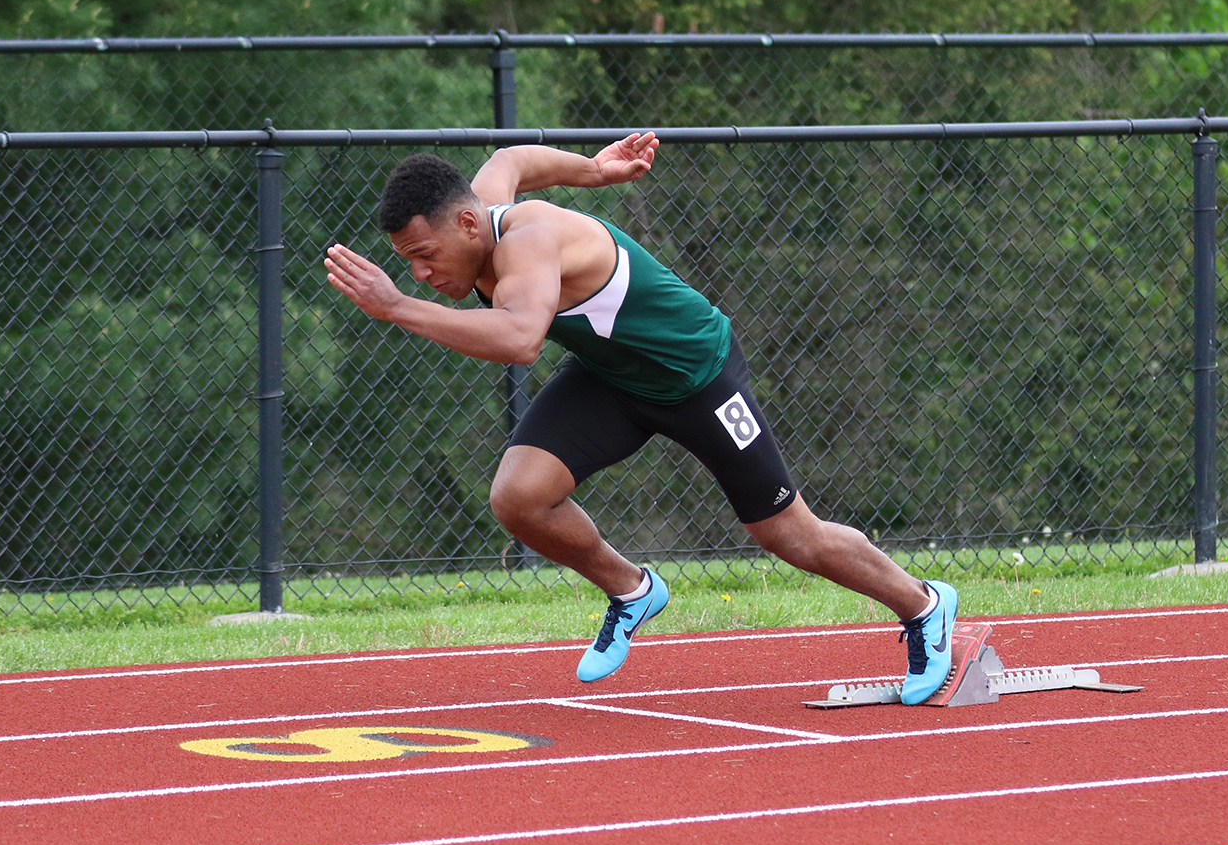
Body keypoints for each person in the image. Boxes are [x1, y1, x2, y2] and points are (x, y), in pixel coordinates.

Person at [324, 133, 958, 703]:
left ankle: (924, 605)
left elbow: (519, 339)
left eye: (425, 255)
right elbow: (511, 158)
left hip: (697, 379)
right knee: (519, 498)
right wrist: (593, 172)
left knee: (789, 535)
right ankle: (632, 590)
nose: (420, 272)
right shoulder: (478, 205)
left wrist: (398, 306)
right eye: (408, 262)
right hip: (610, 378)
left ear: (466, 223)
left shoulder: (530, 240)